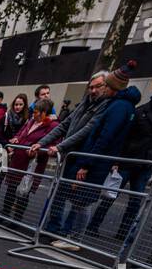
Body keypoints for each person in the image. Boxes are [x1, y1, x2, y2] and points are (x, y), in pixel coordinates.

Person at [48, 61, 140, 246]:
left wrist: (85, 164)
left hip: (96, 163)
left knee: (83, 202)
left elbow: (104, 137)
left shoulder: (119, 107)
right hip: (92, 159)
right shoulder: (117, 105)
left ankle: (75, 239)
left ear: (112, 86)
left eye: (104, 85)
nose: (102, 89)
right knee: (78, 200)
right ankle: (69, 235)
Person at [88, 76, 152, 240]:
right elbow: (126, 136)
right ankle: (93, 225)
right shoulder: (140, 111)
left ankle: (123, 233)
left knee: (136, 202)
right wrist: (116, 160)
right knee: (110, 195)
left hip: (146, 164)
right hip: (127, 160)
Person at [0, 99, 55, 223]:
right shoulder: (31, 122)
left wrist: (37, 150)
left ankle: (16, 219)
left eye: (36, 112)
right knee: (11, 189)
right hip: (18, 160)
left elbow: (52, 145)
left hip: (32, 164)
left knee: (23, 192)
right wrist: (16, 139)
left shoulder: (52, 126)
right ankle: (4, 214)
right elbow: (21, 133)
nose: (33, 114)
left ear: (44, 113)